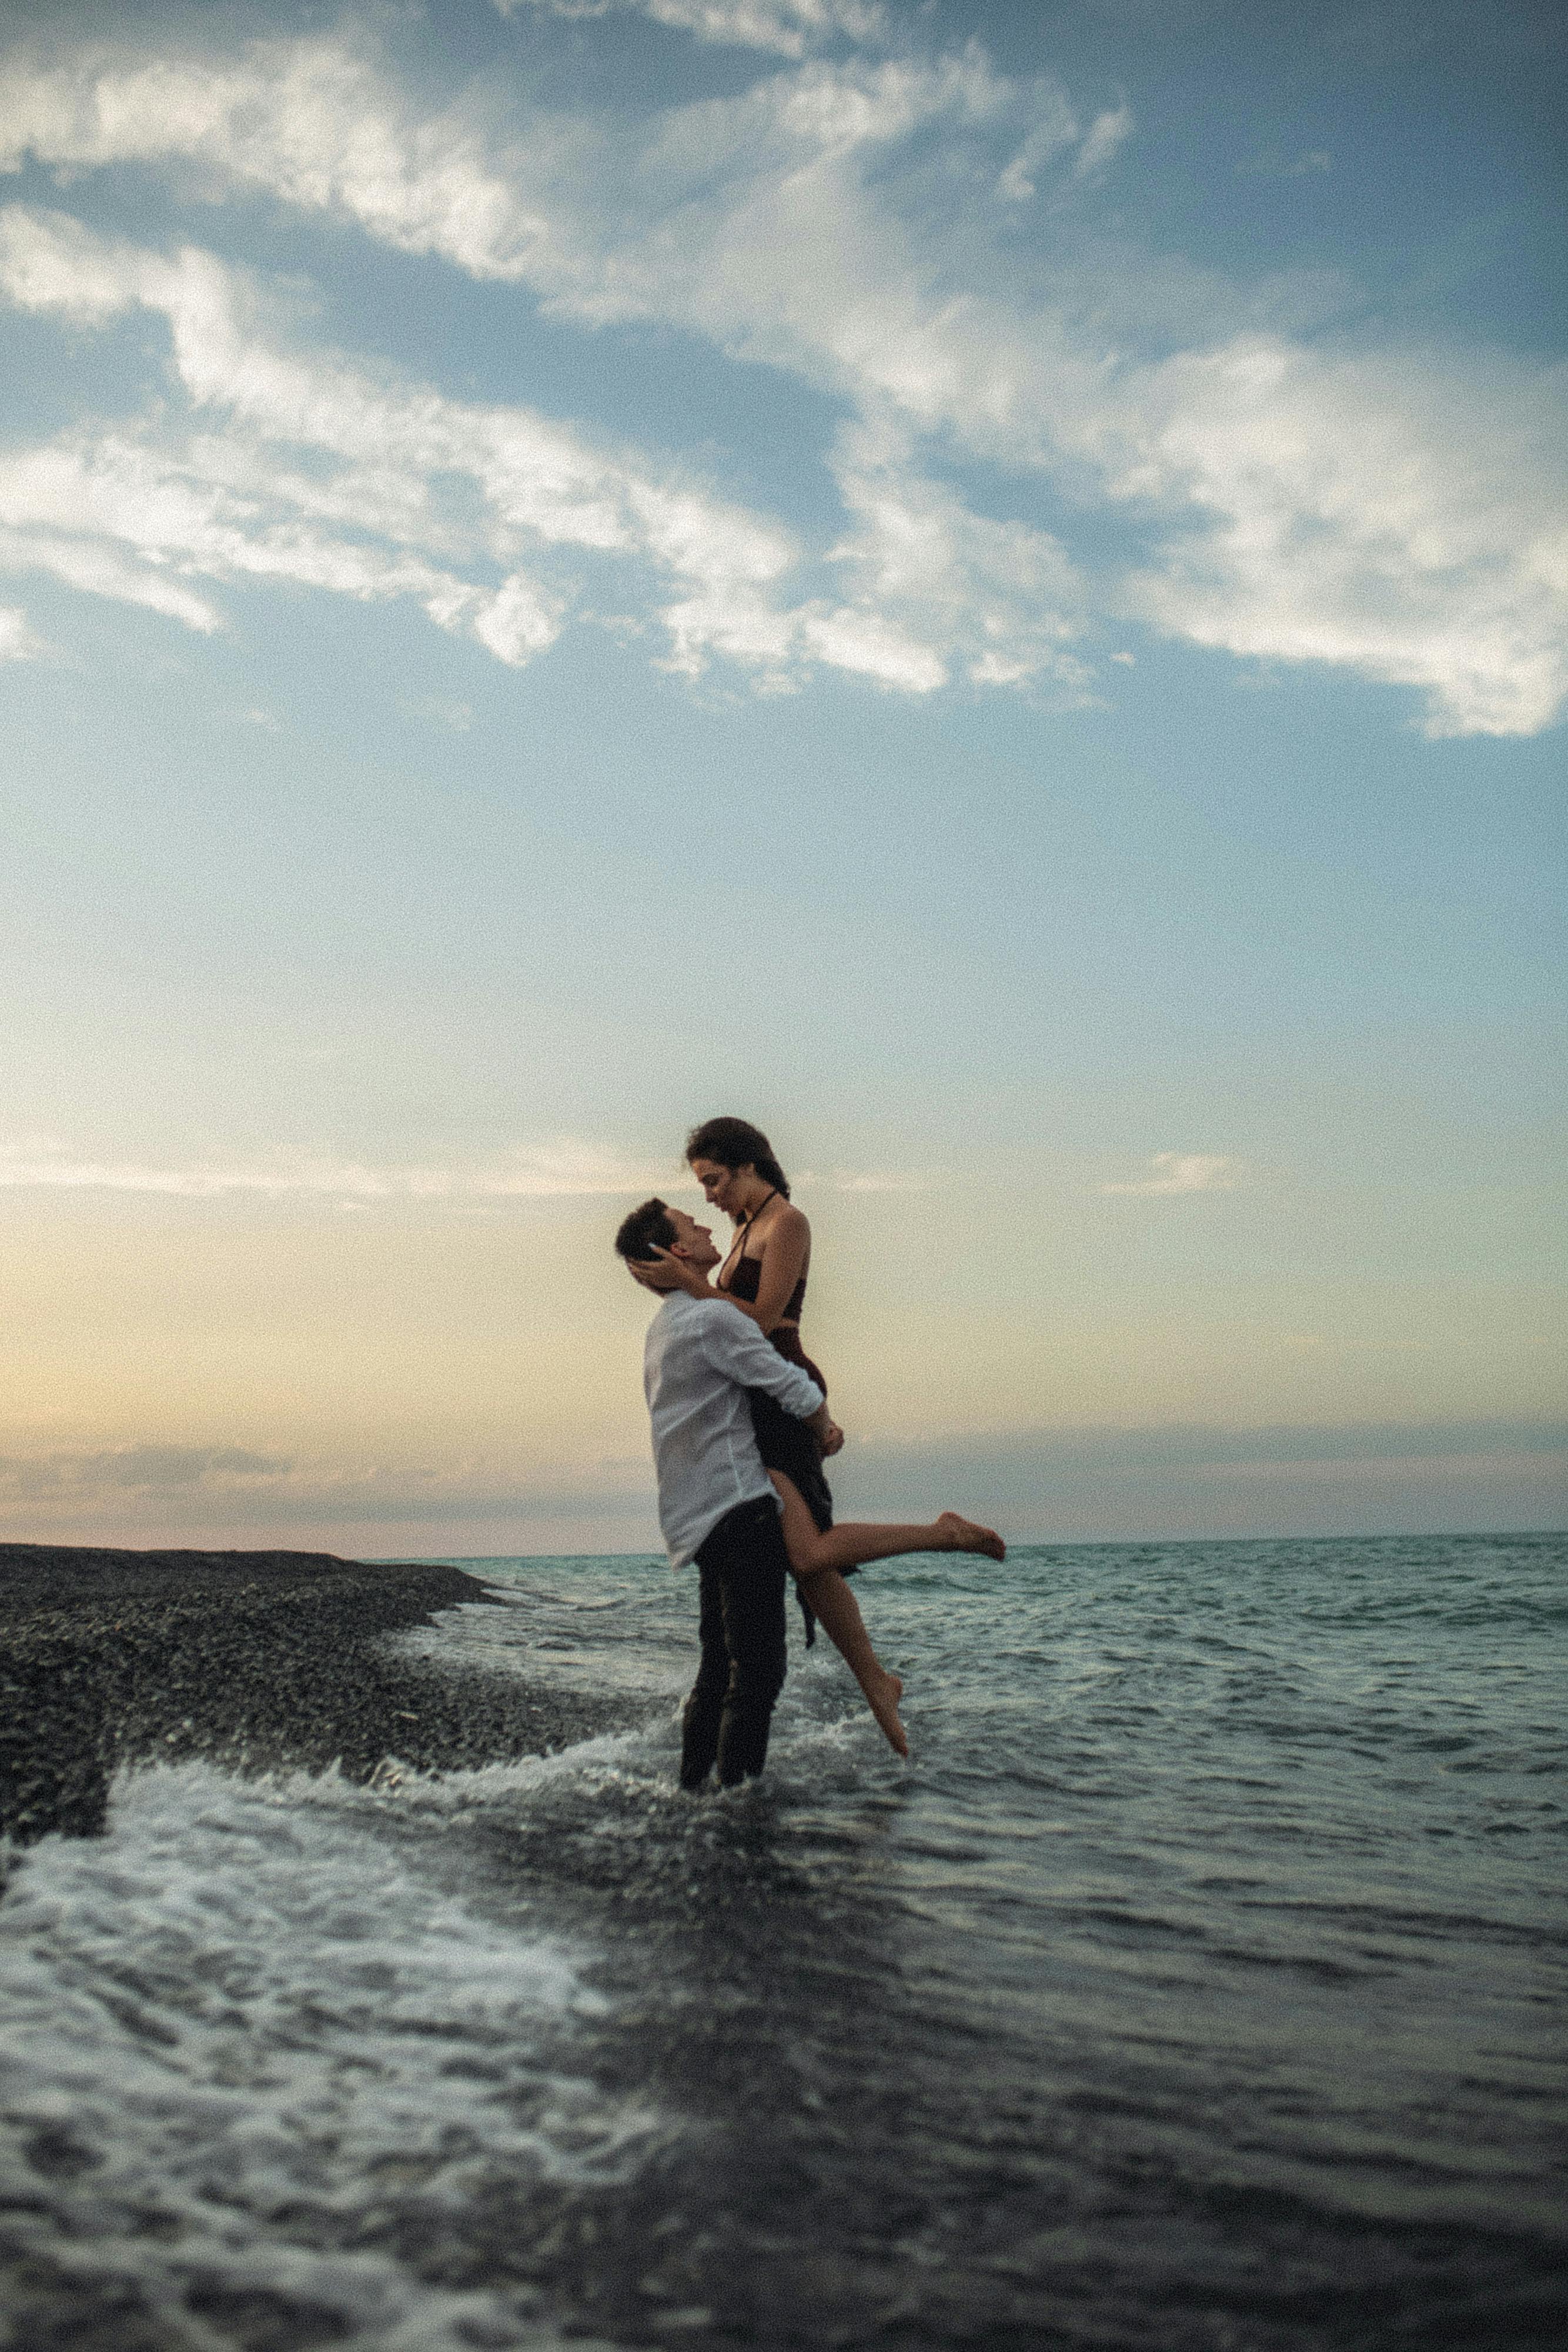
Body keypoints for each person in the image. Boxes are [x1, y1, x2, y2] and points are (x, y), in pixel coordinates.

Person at [622, 1147, 1005, 1756]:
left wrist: (691, 1284)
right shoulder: (740, 1236)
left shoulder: (785, 1222)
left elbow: (760, 1321)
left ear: (748, 1165)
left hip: (784, 1397)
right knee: (808, 1558)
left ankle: (940, 1543)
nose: (708, 1202)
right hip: (766, 1406)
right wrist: (672, 1280)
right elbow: (727, 1326)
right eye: (699, 1195)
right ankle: (876, 1677)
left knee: (809, 1553)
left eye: (713, 1181)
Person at [616, 1195, 831, 1790]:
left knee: (717, 1666)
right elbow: (787, 1384)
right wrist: (825, 1428)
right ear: (678, 1251)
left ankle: (693, 1791)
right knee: (758, 1673)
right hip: (739, 1507)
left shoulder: (663, 1328)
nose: (706, 1224)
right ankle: (738, 1804)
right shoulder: (712, 1319)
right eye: (691, 1224)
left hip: (697, 1515)